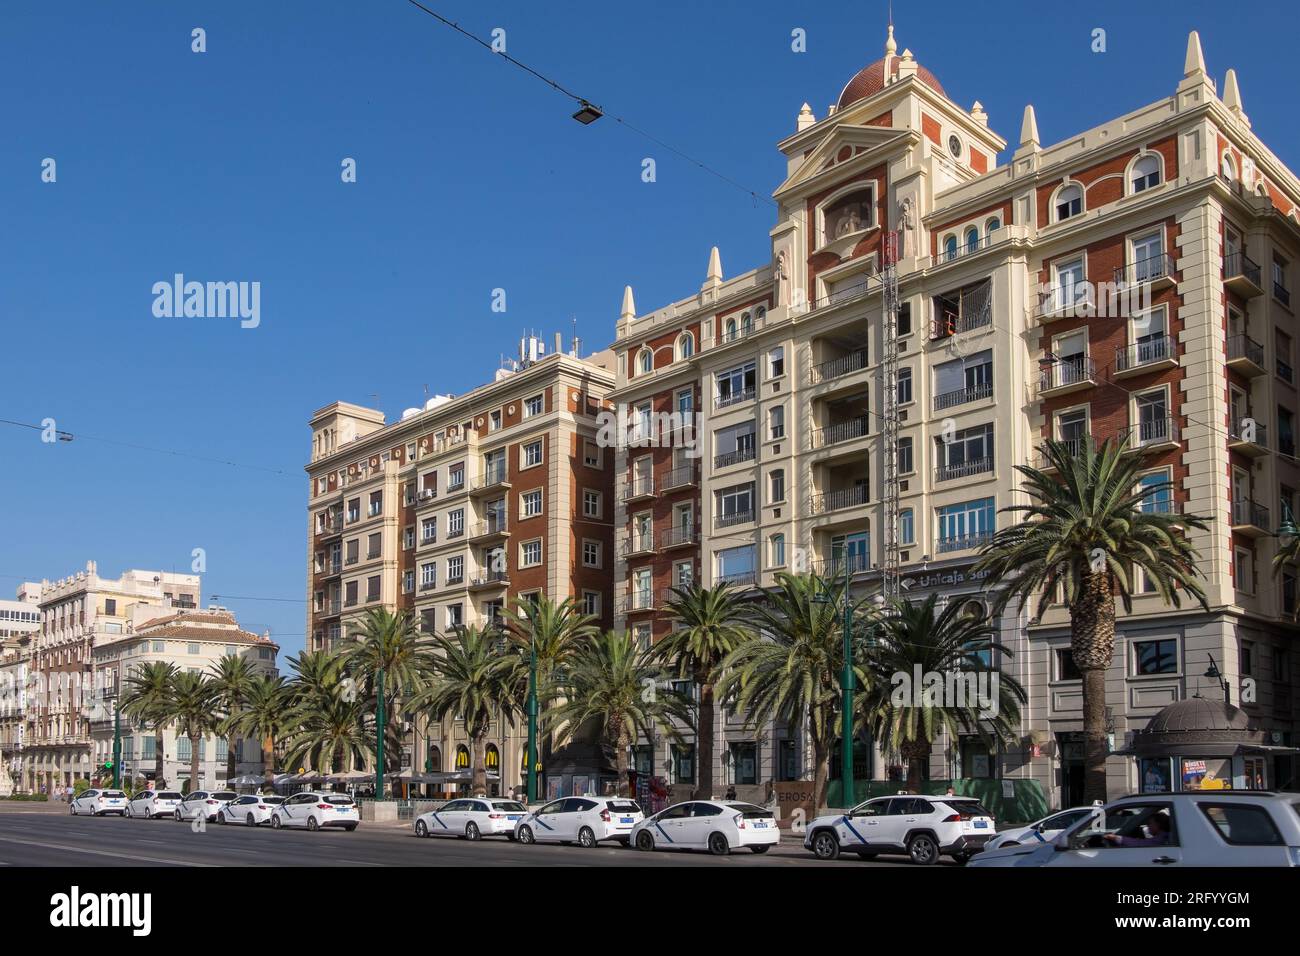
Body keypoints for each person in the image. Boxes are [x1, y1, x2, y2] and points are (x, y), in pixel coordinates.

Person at [1104, 812, 1171, 848]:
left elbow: (1141, 843)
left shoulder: (1162, 838)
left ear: (1158, 824)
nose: (1148, 825)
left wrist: (1116, 838)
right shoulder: (1165, 836)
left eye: (1150, 823)